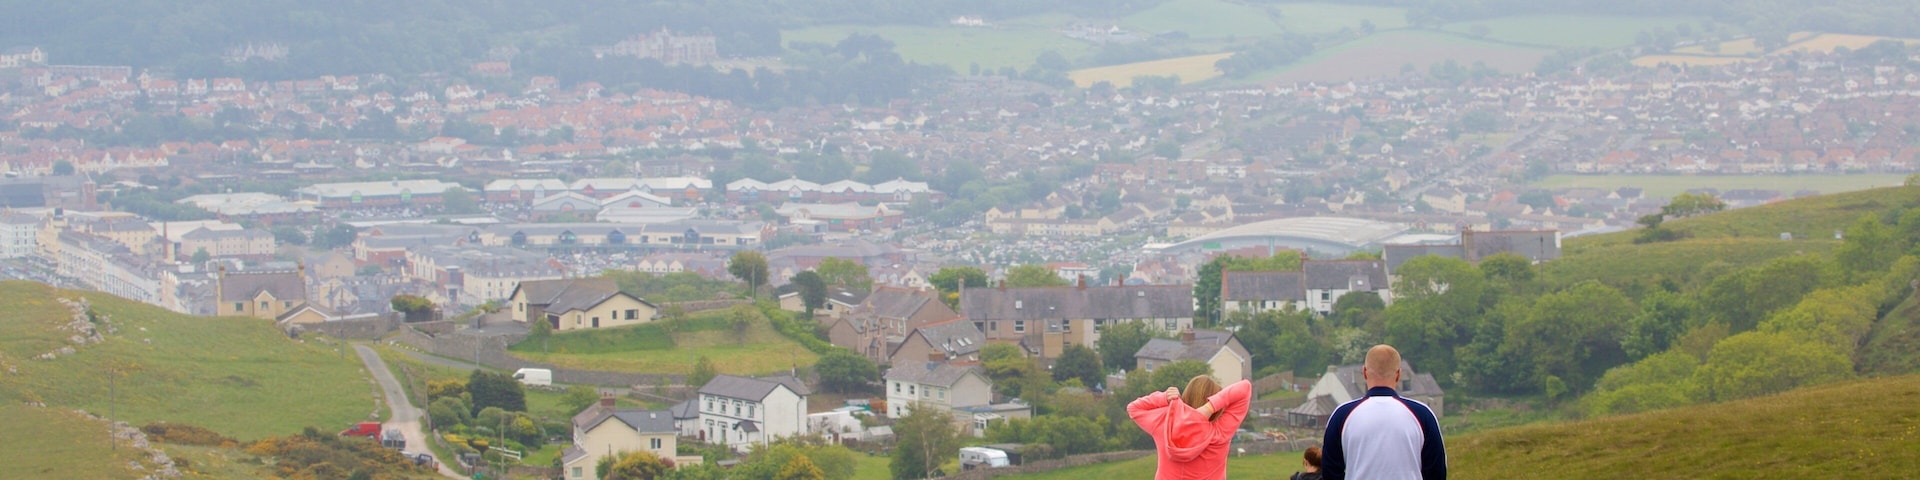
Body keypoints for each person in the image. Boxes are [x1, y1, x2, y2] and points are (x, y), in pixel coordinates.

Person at [1322, 345, 1446, 480]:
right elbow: (1436, 471)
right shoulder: (1422, 414)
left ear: (1364, 372)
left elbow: (1330, 471)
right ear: (1398, 374)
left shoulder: (1342, 416)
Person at [1127, 375, 1253, 480]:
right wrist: (1209, 408)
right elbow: (1245, 388)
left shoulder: (1166, 422)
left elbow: (1134, 408)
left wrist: (1164, 397)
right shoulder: (1219, 432)